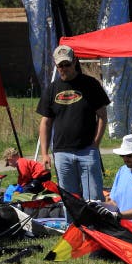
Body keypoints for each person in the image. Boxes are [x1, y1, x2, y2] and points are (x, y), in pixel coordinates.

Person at [37, 45, 110, 201]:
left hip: (87, 151)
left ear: (75, 61)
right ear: (56, 66)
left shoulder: (91, 84)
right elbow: (45, 123)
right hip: (61, 152)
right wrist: (44, 154)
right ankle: (73, 226)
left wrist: (95, 144)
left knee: (94, 198)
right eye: (60, 65)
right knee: (70, 199)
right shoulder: (51, 89)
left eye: (67, 64)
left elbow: (102, 116)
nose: (64, 68)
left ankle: (95, 225)